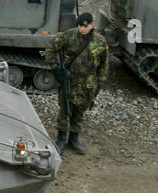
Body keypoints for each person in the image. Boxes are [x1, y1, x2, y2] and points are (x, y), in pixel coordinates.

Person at [40, 12, 110, 155]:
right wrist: (56, 69)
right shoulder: (68, 36)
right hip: (69, 81)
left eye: (85, 26)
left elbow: (104, 64)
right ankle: (61, 138)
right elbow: (50, 49)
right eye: (80, 26)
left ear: (92, 25)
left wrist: (100, 84)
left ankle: (74, 139)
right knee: (65, 110)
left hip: (87, 84)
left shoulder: (100, 41)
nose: (82, 29)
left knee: (79, 111)